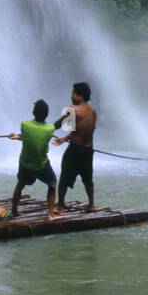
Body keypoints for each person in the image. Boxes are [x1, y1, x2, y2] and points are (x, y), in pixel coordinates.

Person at [8, 99, 58, 218]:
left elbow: (30, 136)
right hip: (41, 164)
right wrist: (19, 137)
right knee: (52, 183)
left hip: (26, 163)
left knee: (20, 184)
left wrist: (18, 137)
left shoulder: (24, 125)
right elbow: (38, 137)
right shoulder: (50, 129)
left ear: (33, 112)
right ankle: (50, 213)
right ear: (47, 114)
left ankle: (14, 209)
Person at [53, 82, 97, 213]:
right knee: (88, 178)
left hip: (75, 150)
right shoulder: (93, 111)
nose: (71, 96)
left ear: (80, 96)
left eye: (73, 93)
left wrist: (41, 129)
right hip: (88, 150)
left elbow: (56, 125)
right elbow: (82, 130)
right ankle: (91, 204)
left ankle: (60, 204)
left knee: (64, 177)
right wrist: (64, 138)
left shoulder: (73, 111)